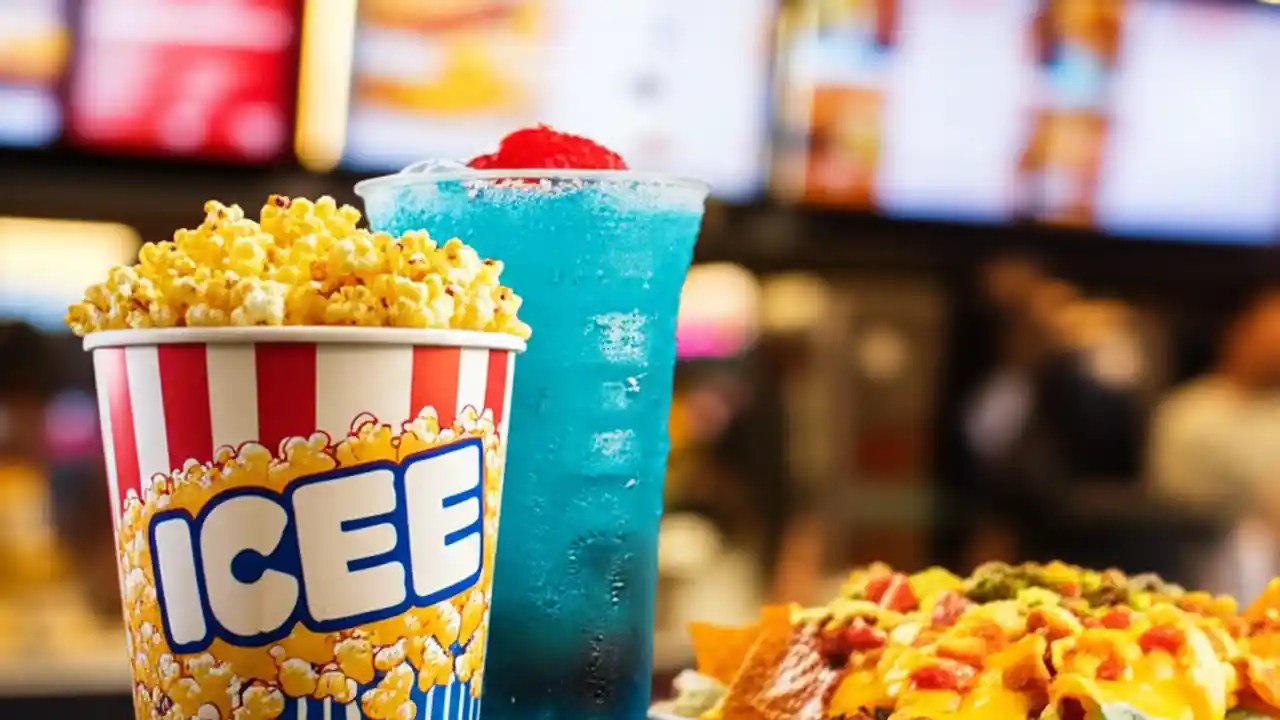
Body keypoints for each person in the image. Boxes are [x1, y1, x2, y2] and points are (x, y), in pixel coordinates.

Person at [1148, 288, 1280, 600]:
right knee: (1251, 542)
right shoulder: (1189, 410)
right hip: (1217, 544)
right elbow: (1173, 491)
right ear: (1239, 336)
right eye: (1270, 340)